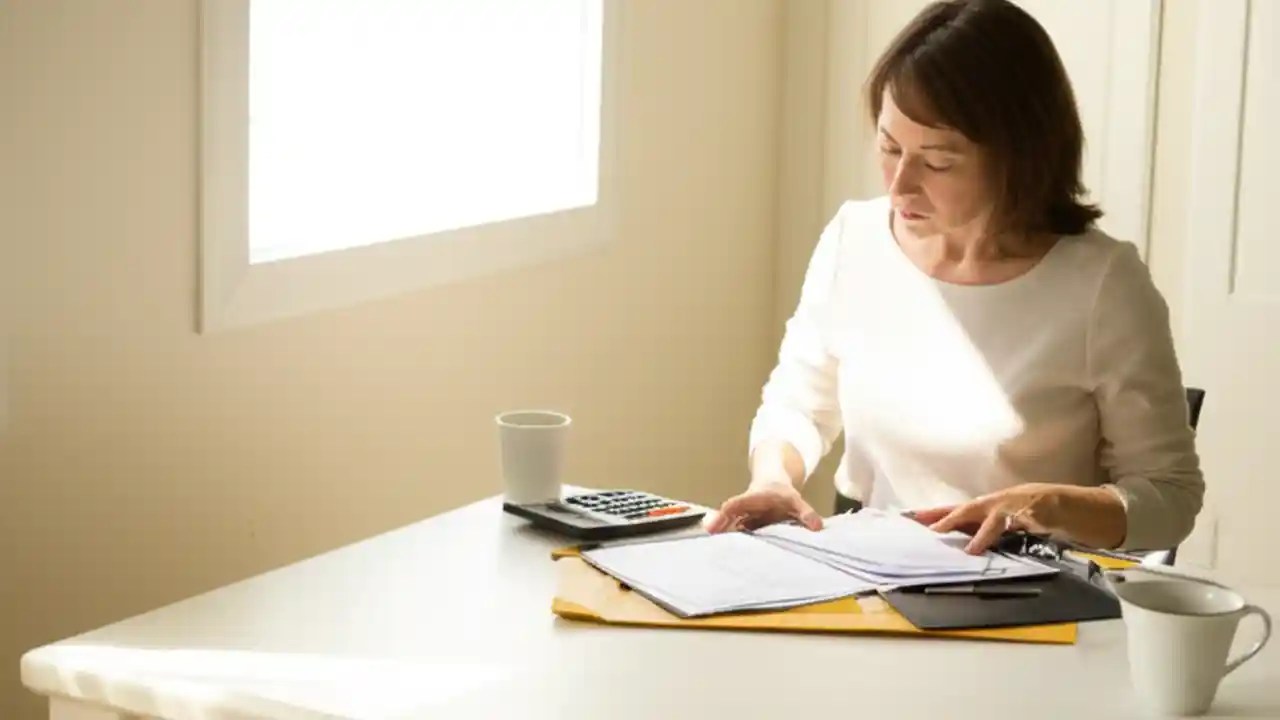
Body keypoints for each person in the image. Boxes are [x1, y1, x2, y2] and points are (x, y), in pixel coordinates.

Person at [703, 0, 1203, 555]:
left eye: (938, 162)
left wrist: (1042, 507)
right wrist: (774, 477)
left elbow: (1170, 497)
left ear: (1018, 155)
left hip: (1028, 590)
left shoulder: (1102, 284)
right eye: (890, 147)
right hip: (867, 568)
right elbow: (798, 404)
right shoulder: (856, 239)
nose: (900, 186)